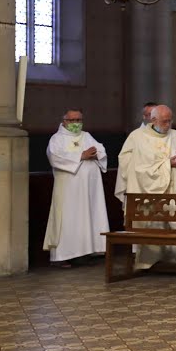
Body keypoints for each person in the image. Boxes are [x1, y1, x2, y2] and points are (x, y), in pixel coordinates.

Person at [115, 104, 176, 270]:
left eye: (170, 121)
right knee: (152, 223)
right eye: (164, 121)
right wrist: (167, 164)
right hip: (149, 192)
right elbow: (133, 166)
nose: (168, 125)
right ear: (153, 120)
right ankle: (149, 261)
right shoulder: (137, 137)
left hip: (175, 188)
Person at [44, 109, 109, 268]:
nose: (76, 123)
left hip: (89, 188)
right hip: (69, 188)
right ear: (64, 121)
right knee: (68, 219)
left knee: (87, 217)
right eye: (72, 120)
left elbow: (100, 149)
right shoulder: (57, 139)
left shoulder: (86, 136)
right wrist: (81, 156)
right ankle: (61, 256)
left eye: (79, 120)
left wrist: (96, 154)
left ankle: (85, 252)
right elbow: (54, 157)